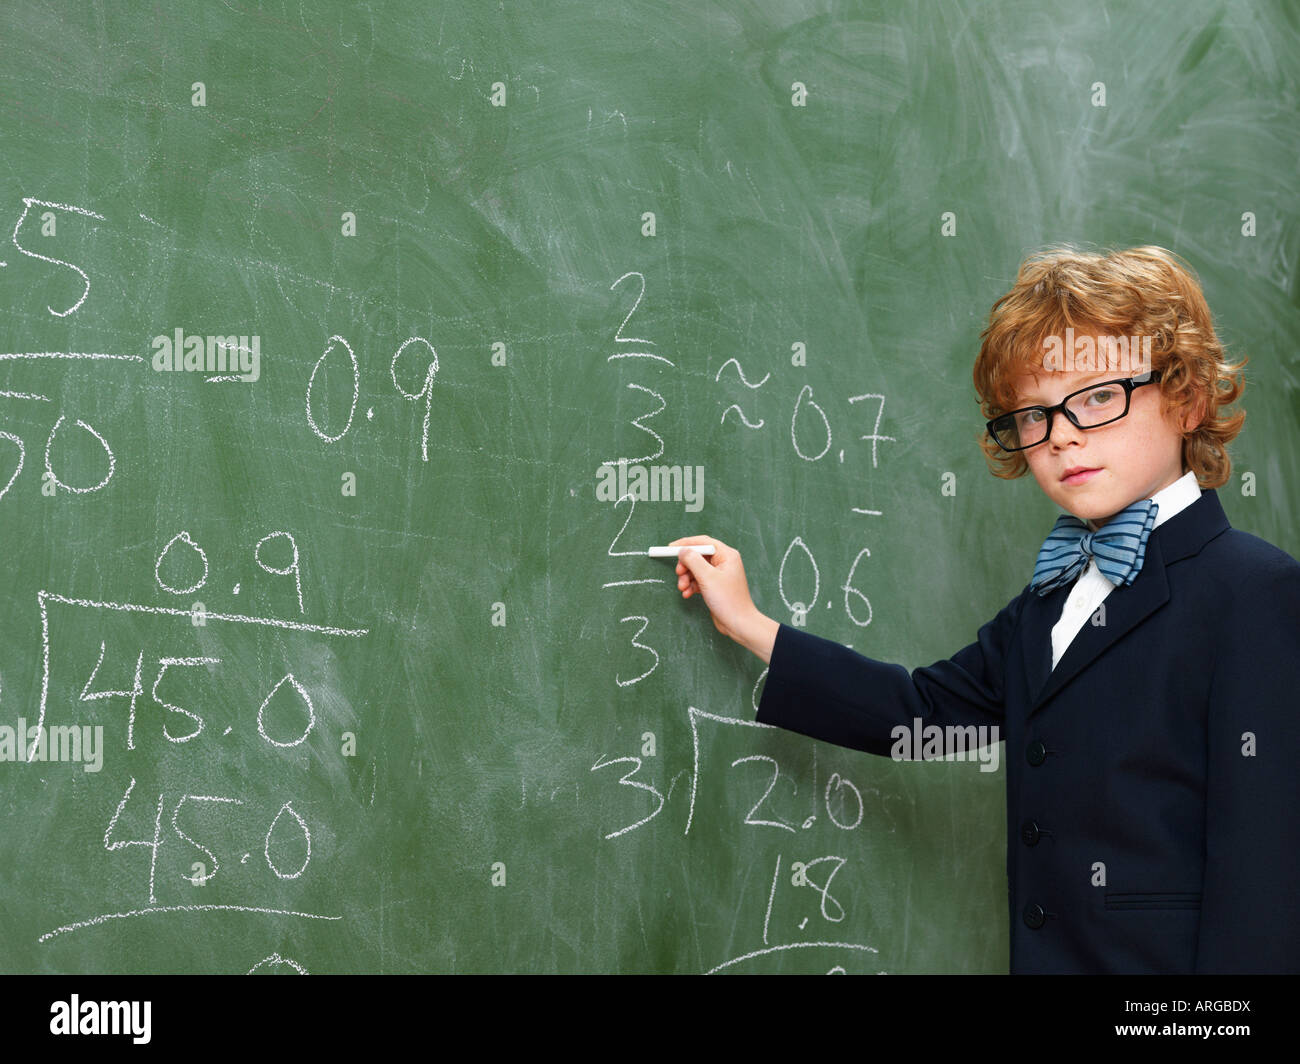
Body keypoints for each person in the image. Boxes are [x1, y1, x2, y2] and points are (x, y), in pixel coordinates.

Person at [670, 246, 1300, 974]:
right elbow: (925, 717)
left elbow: (1265, 879)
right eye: (1034, 415)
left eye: (1098, 396)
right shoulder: (1051, 600)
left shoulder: (1255, 592)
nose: (1062, 434)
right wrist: (751, 624)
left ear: (1187, 398)